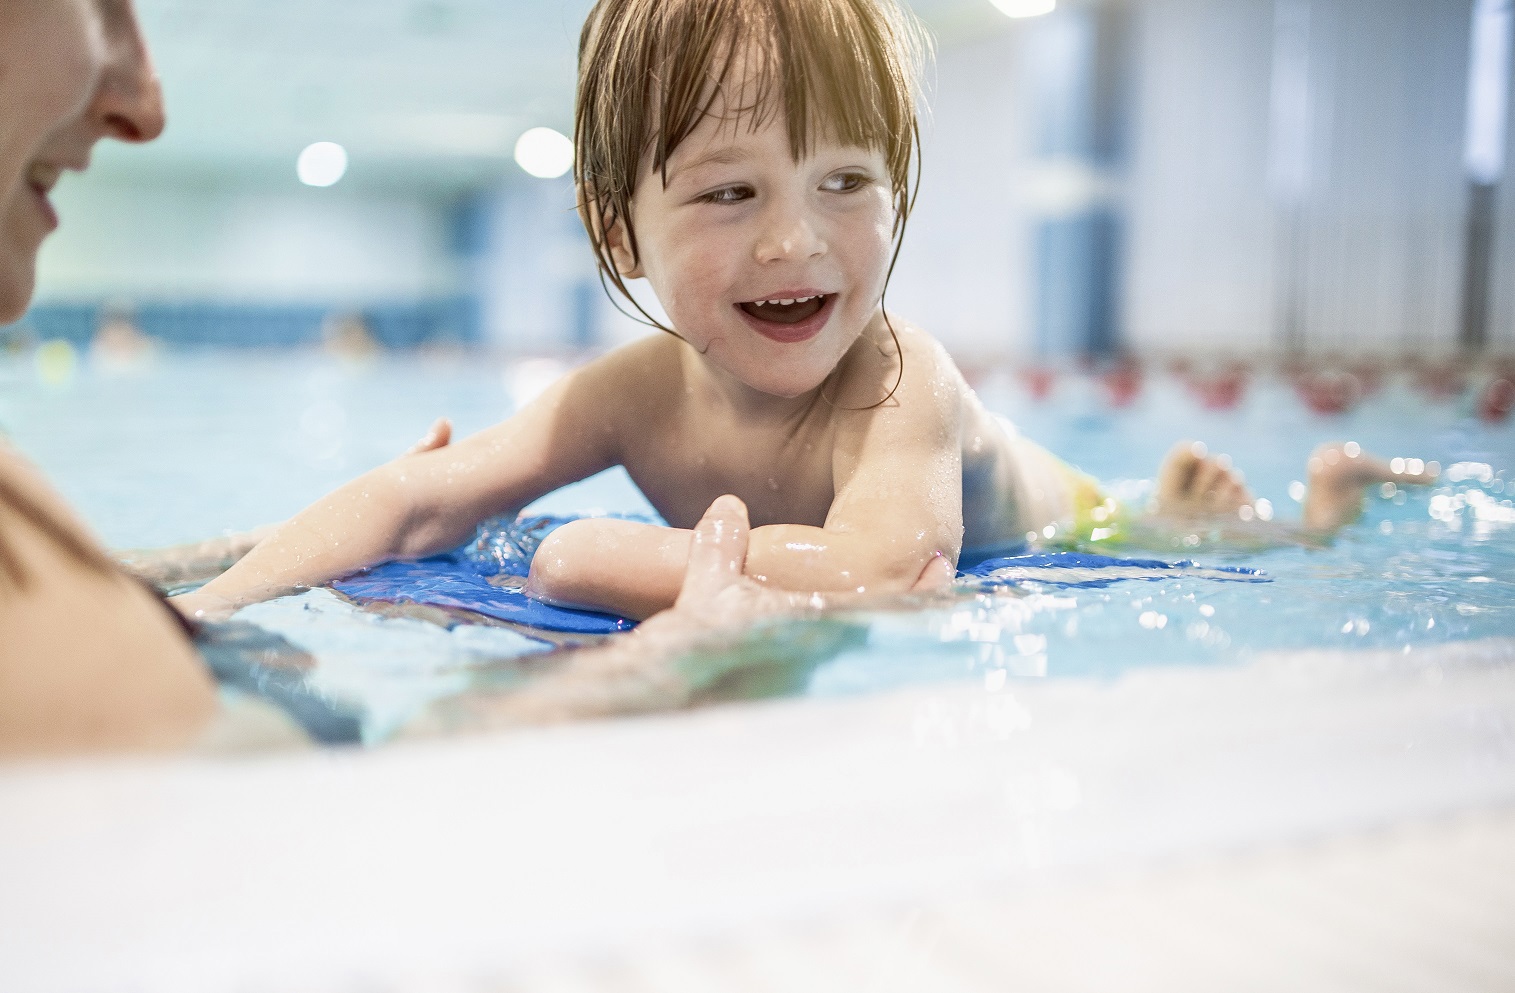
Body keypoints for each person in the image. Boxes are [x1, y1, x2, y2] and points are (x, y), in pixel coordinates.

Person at [173, 0, 1433, 627]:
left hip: (1078, 521)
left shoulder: (902, 384)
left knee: (1225, 539)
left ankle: (1317, 507)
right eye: (731, 191)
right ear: (618, 231)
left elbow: (894, 569)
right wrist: (213, 611)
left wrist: (604, 559)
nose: (799, 240)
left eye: (846, 183)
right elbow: (416, 496)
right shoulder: (629, 397)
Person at [0, 0, 825, 758]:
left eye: (844, 183)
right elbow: (353, 819)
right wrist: (665, 663)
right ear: (620, 236)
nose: (145, 103)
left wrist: (251, 557)